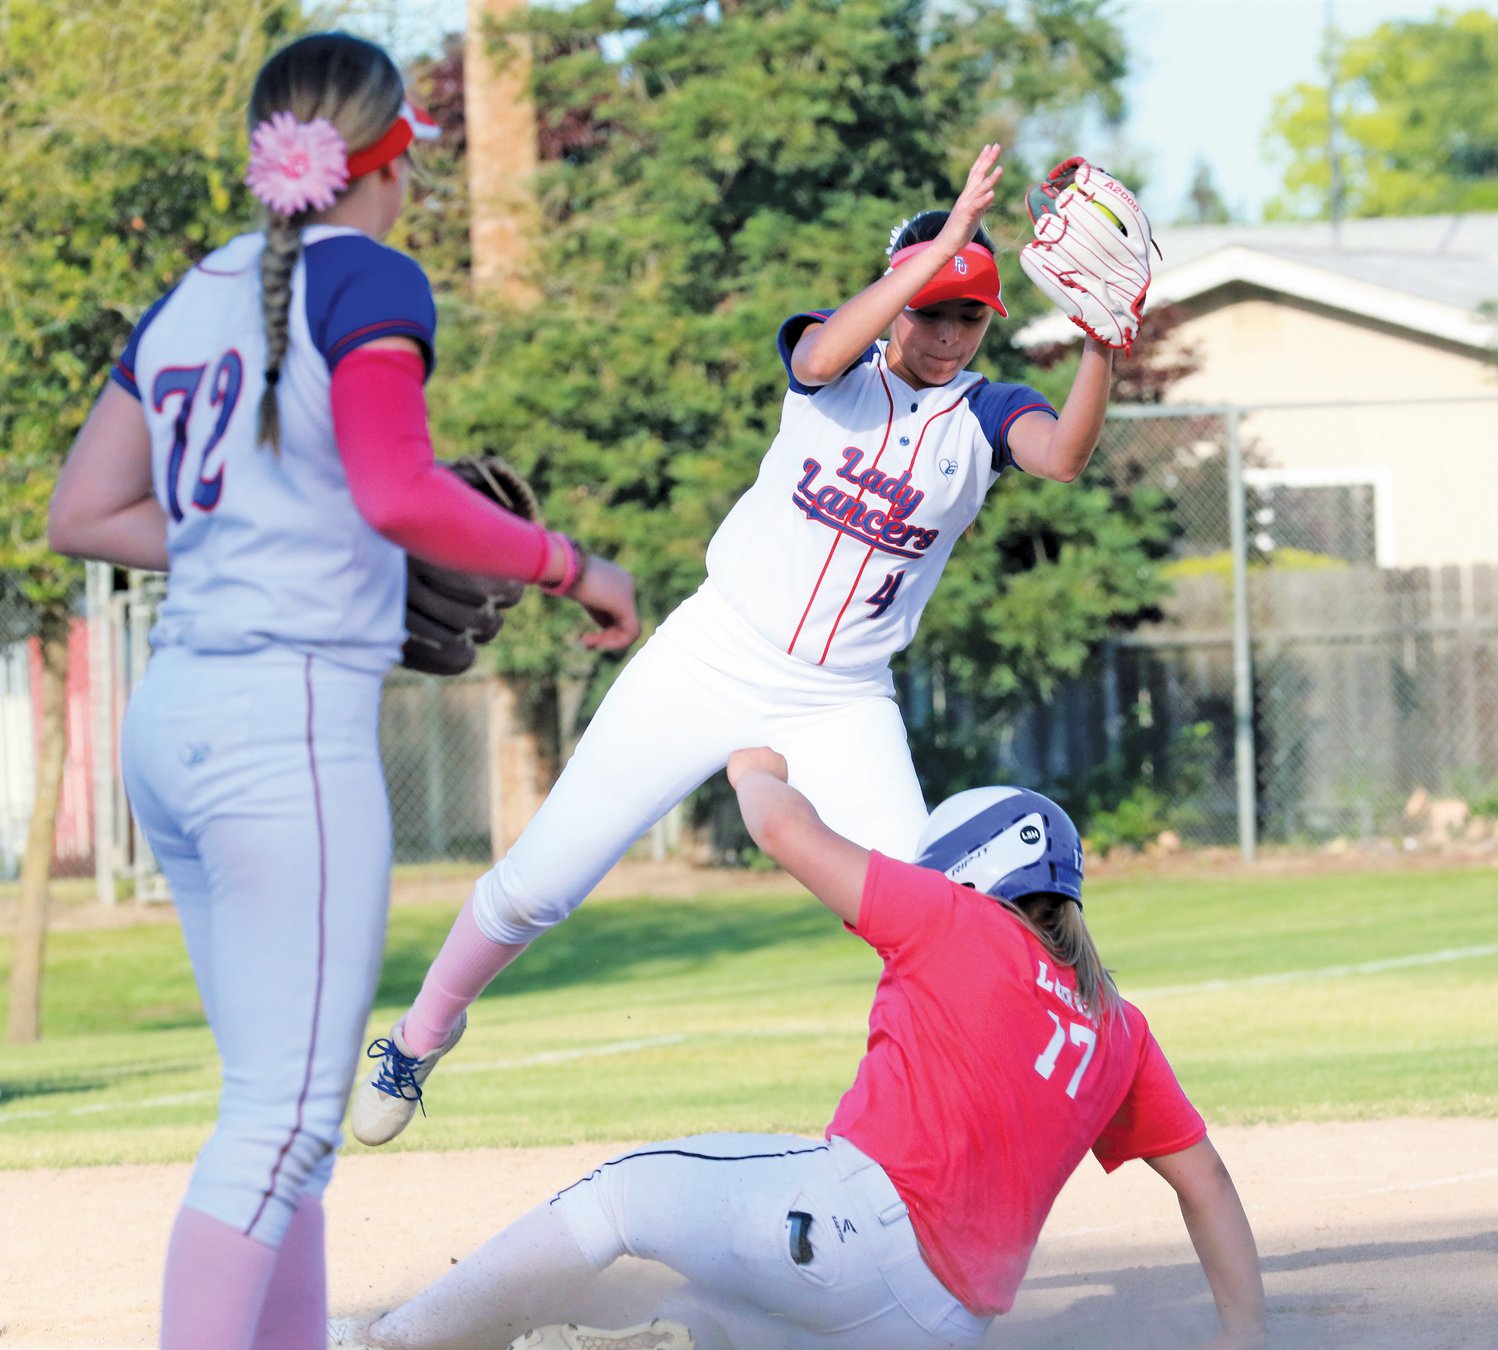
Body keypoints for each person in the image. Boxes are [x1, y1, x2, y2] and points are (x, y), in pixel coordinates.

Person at [47, 31, 637, 1350]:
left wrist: (257, 531)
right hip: (282, 735)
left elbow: (82, 511)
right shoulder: (369, 274)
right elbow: (394, 489)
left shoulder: (192, 289)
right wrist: (571, 564)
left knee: (286, 1106)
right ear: (396, 158)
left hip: (175, 723)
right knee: (282, 1118)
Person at [353, 143, 1129, 1146]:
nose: (946, 331)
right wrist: (937, 246)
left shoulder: (985, 413)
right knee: (540, 883)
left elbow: (1064, 456)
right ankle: (420, 1036)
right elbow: (815, 357)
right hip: (712, 655)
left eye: (968, 314)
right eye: (931, 307)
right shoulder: (834, 371)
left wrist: (1103, 344)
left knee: (928, 920)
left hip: (841, 698)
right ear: (895, 302)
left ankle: (965, 1128)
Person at [344, 750, 1266, 1350]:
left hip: (854, 1228)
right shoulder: (1117, 1025)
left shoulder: (956, 920)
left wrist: (754, 766)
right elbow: (1207, 1185)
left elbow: (783, 829)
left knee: (620, 1194)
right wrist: (1243, 1338)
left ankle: (396, 1343)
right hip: (943, 1327)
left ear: (968, 875)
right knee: (697, 1321)